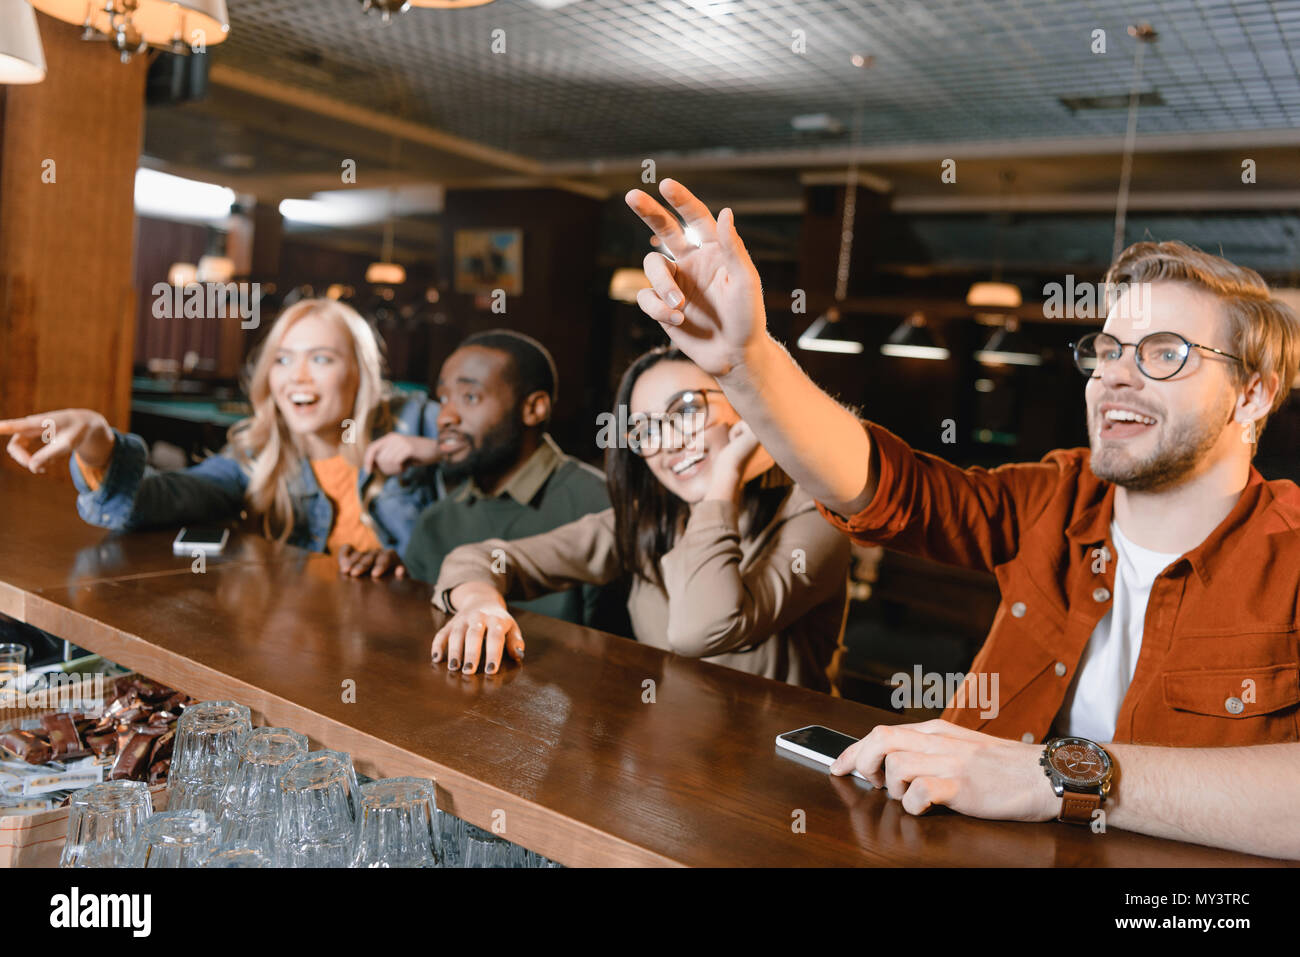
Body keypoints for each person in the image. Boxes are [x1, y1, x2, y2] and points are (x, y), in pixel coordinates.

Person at [625, 177, 1300, 859]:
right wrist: (748, 360)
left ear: (1252, 393)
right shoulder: (1054, 497)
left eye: (1163, 352)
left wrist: (1053, 778)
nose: (1115, 375)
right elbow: (885, 485)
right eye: (1107, 349)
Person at [428, 345, 851, 688]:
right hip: (666, 759)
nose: (668, 443)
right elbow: (480, 558)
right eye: (647, 430)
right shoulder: (648, 520)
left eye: (686, 411)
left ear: (743, 403)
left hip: (772, 777)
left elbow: (702, 629)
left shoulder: (815, 512)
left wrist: (724, 480)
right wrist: (481, 604)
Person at [1, 299, 440, 567]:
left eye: (322, 359)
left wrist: (438, 450)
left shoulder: (416, 420)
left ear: (359, 373)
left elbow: (502, 458)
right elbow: (153, 502)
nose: (297, 377)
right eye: (283, 360)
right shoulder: (256, 456)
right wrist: (99, 443)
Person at [397, 330, 622, 631]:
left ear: (533, 409)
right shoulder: (435, 522)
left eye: (470, 397)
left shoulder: (601, 505)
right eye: (443, 399)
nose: (445, 417)